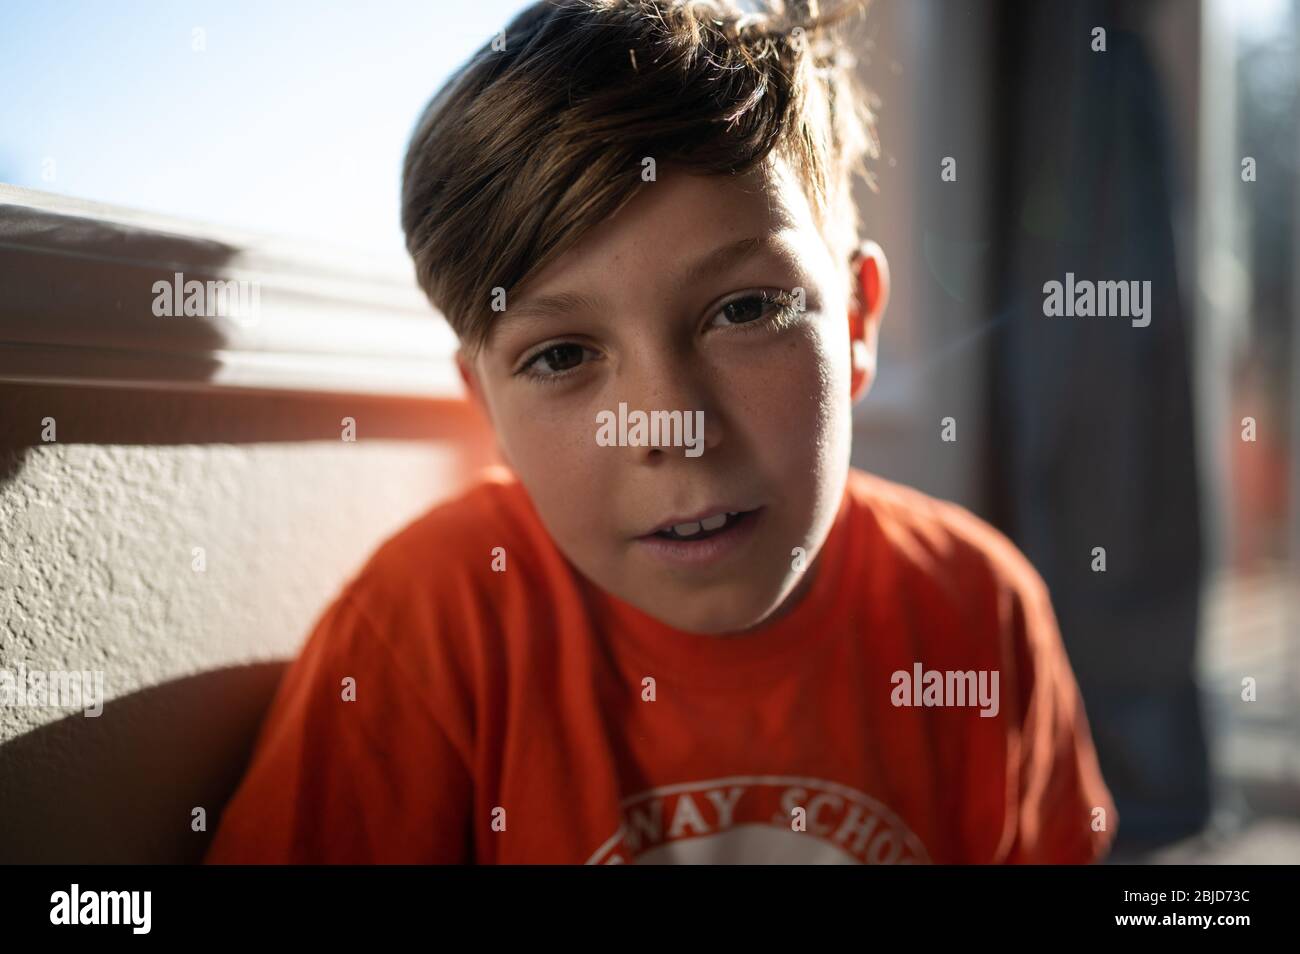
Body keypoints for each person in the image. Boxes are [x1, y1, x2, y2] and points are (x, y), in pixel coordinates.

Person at [204, 0, 1115, 864]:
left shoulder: (977, 609)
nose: (673, 425)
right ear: (488, 411)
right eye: (562, 357)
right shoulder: (428, 630)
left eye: (746, 310)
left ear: (856, 321)